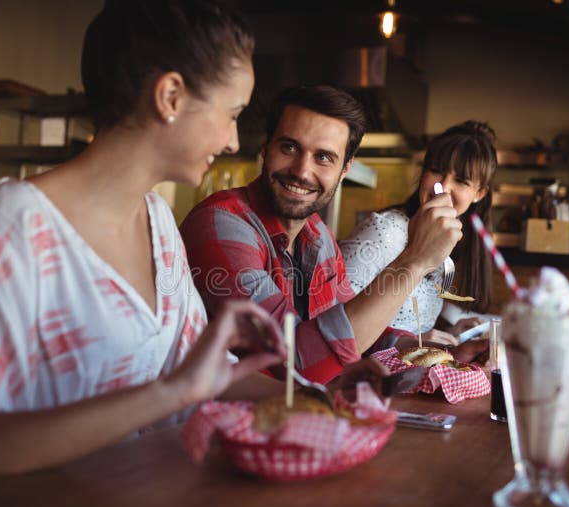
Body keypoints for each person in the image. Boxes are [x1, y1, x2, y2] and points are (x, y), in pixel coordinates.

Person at [0, 0, 291, 495]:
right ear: (171, 96)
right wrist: (169, 393)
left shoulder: (157, 223)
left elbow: (200, 371)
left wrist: (322, 395)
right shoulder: (20, 223)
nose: (234, 140)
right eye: (232, 113)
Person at [180, 86, 487, 385]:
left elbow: (360, 335)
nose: (302, 171)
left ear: (345, 169)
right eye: (289, 147)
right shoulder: (221, 225)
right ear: (265, 147)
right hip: (221, 426)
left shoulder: (318, 236)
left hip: (298, 418)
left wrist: (443, 355)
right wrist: (415, 261)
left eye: (324, 157)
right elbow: (296, 364)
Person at [340, 121, 497, 345]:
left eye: (461, 181)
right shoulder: (384, 231)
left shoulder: (445, 244)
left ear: (479, 193)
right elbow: (335, 327)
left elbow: (411, 323)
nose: (442, 187)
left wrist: (452, 333)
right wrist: (412, 342)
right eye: (436, 171)